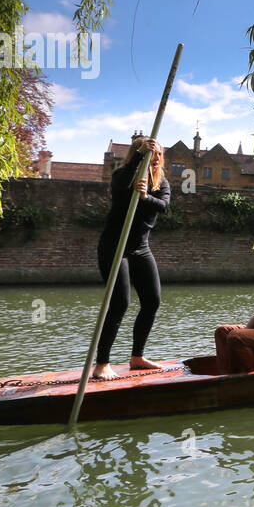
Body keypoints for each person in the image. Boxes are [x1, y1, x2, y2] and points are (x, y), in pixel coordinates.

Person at [92, 136, 170, 380]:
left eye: (157, 153)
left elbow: (164, 206)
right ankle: (102, 363)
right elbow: (120, 185)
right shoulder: (123, 175)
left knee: (152, 301)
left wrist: (146, 196)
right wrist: (138, 157)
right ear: (137, 154)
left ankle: (137, 357)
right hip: (115, 247)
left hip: (140, 248)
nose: (155, 157)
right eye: (150, 152)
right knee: (119, 303)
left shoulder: (161, 182)